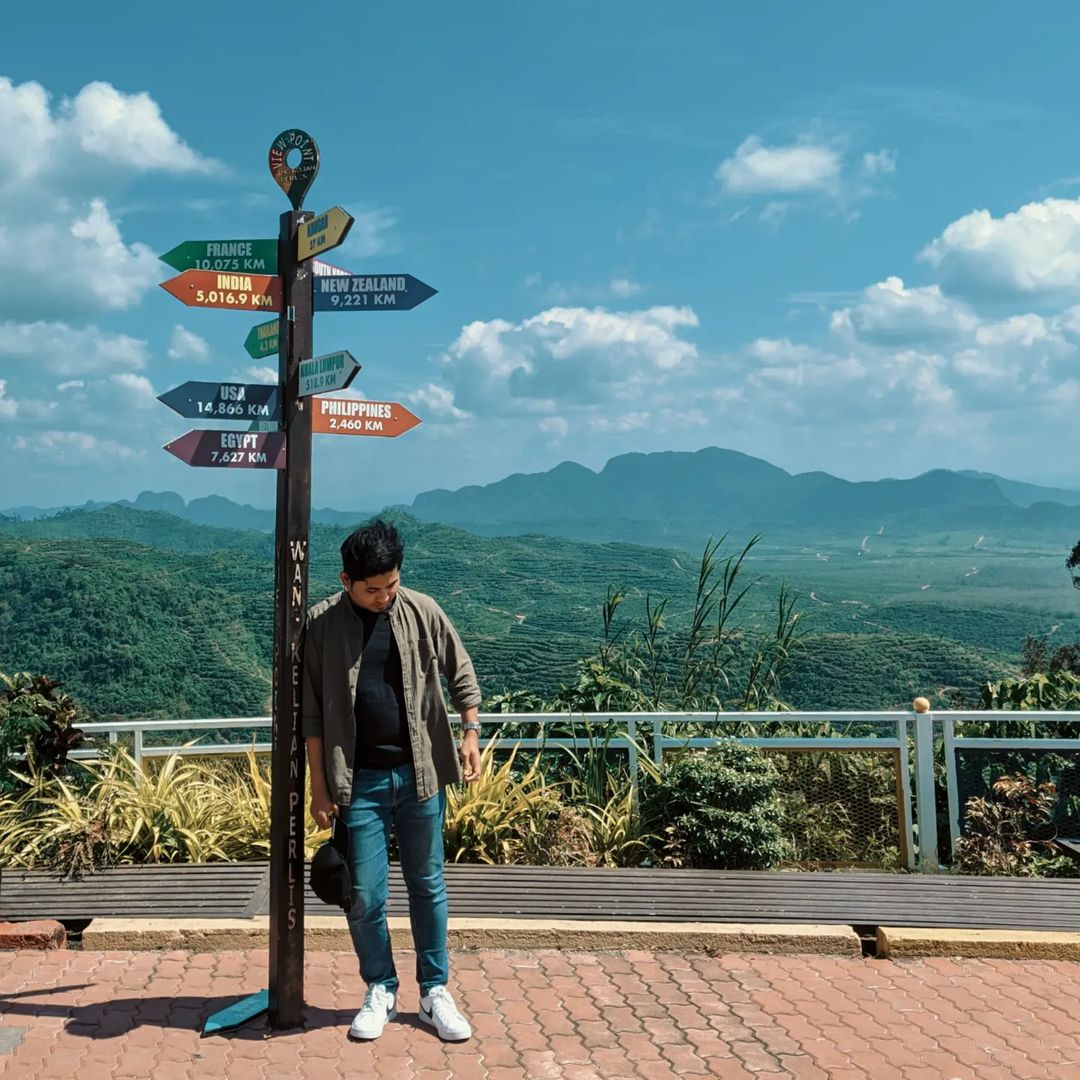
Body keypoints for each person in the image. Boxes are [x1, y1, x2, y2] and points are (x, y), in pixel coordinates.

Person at [303, 518, 482, 1042]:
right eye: (372, 589)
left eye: (392, 585)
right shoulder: (322, 626)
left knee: (428, 885)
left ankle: (434, 992)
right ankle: (380, 986)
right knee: (364, 894)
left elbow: (461, 670)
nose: (384, 597)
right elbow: (312, 715)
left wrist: (469, 732)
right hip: (357, 784)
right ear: (345, 580)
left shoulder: (422, 611)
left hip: (420, 776)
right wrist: (319, 788)